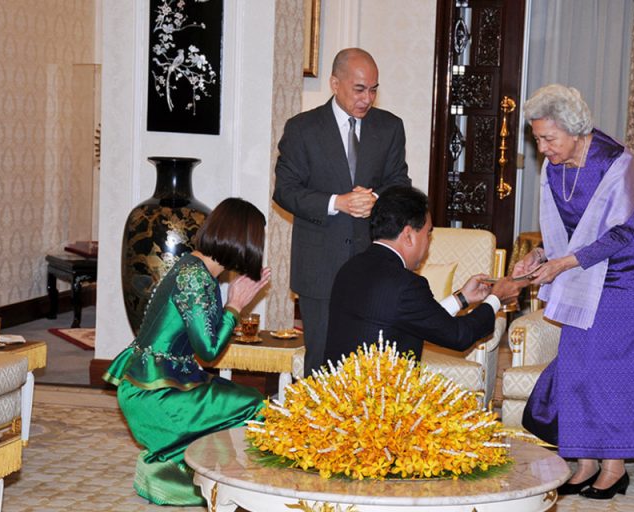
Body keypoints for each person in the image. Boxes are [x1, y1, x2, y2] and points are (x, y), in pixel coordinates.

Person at [515, 84, 634, 500]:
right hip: (588, 264)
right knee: (578, 355)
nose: (543, 148)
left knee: (614, 364)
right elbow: (562, 230)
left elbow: (620, 231)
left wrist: (561, 266)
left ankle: (614, 467)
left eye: (549, 139)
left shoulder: (615, 161)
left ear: (576, 130)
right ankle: (583, 461)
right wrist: (538, 257)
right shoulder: (554, 166)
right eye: (537, 140)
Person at [103, 198, 272, 506]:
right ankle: (223, 482)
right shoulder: (196, 276)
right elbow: (208, 351)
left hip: (159, 384)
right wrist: (235, 304)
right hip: (156, 395)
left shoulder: (193, 267)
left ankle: (198, 473)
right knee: (254, 406)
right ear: (244, 241)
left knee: (233, 397)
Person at [273, 48, 411, 376]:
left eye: (374, 89)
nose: (368, 98)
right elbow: (286, 191)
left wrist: (374, 198)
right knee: (321, 361)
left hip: (372, 266)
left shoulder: (389, 127)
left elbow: (399, 183)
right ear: (335, 83)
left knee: (368, 365)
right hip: (319, 268)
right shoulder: (302, 128)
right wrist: (338, 202)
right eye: (360, 89)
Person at [323, 185, 524, 366]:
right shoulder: (406, 284)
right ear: (409, 235)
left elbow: (422, 320)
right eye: (428, 233)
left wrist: (462, 298)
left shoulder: (350, 268)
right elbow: (459, 336)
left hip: (340, 396)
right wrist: (496, 298)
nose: (428, 242)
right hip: (381, 401)